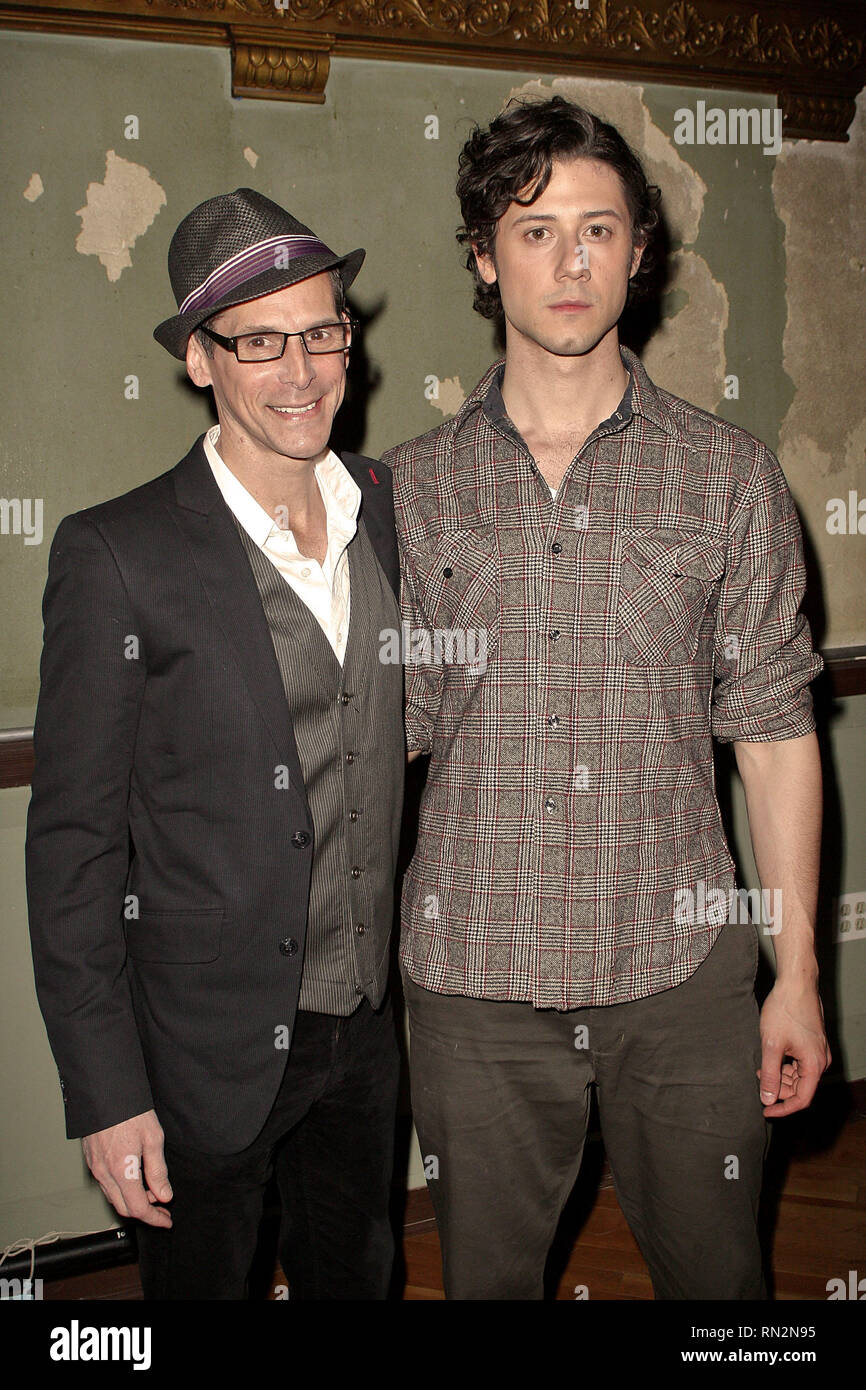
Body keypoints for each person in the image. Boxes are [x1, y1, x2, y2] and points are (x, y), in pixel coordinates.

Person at [385, 96, 829, 1300]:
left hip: (679, 977)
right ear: (484, 257)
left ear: (639, 251)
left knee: (723, 1294)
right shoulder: (404, 493)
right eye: (533, 231)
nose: (568, 261)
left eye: (597, 229)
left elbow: (776, 734)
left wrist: (794, 973)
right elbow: (377, 740)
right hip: (473, 979)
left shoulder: (728, 476)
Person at [26, 188, 405, 1300]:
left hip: (367, 1029)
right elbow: (73, 851)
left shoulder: (383, 505)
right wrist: (106, 1091)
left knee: (361, 1280)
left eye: (322, 329)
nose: (302, 370)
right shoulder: (116, 552)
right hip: (198, 1048)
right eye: (258, 341)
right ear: (200, 358)